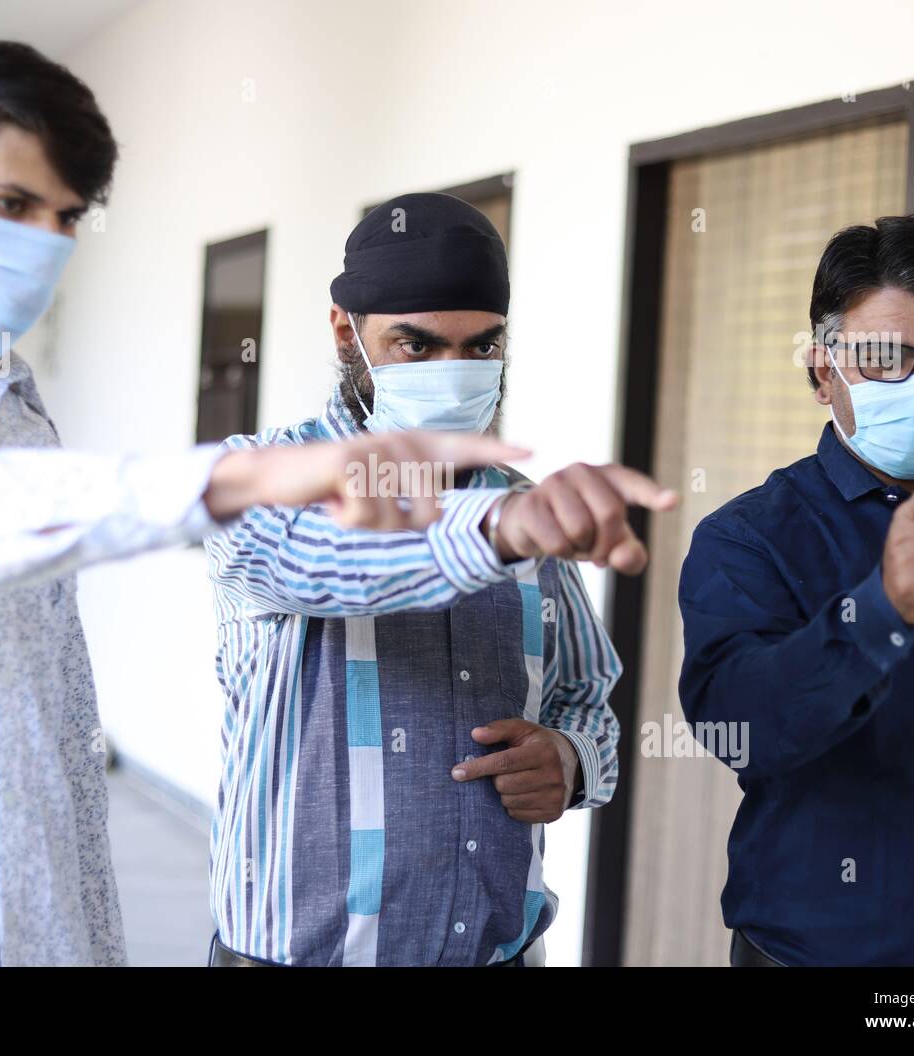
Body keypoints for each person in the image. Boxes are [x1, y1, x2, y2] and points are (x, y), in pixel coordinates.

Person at [0, 40, 521, 967]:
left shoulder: (25, 418)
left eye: (66, 216)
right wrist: (240, 479)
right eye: (10, 205)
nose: (44, 242)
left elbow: (62, 719)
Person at [203, 192, 678, 966]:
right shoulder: (259, 475)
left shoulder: (527, 514)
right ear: (344, 332)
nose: (454, 374)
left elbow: (587, 700)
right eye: (415, 348)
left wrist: (568, 759)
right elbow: (327, 568)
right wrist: (491, 535)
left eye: (481, 347)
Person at [679, 215, 914, 966]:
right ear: (824, 371)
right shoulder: (750, 537)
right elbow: (736, 729)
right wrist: (881, 610)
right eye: (883, 358)